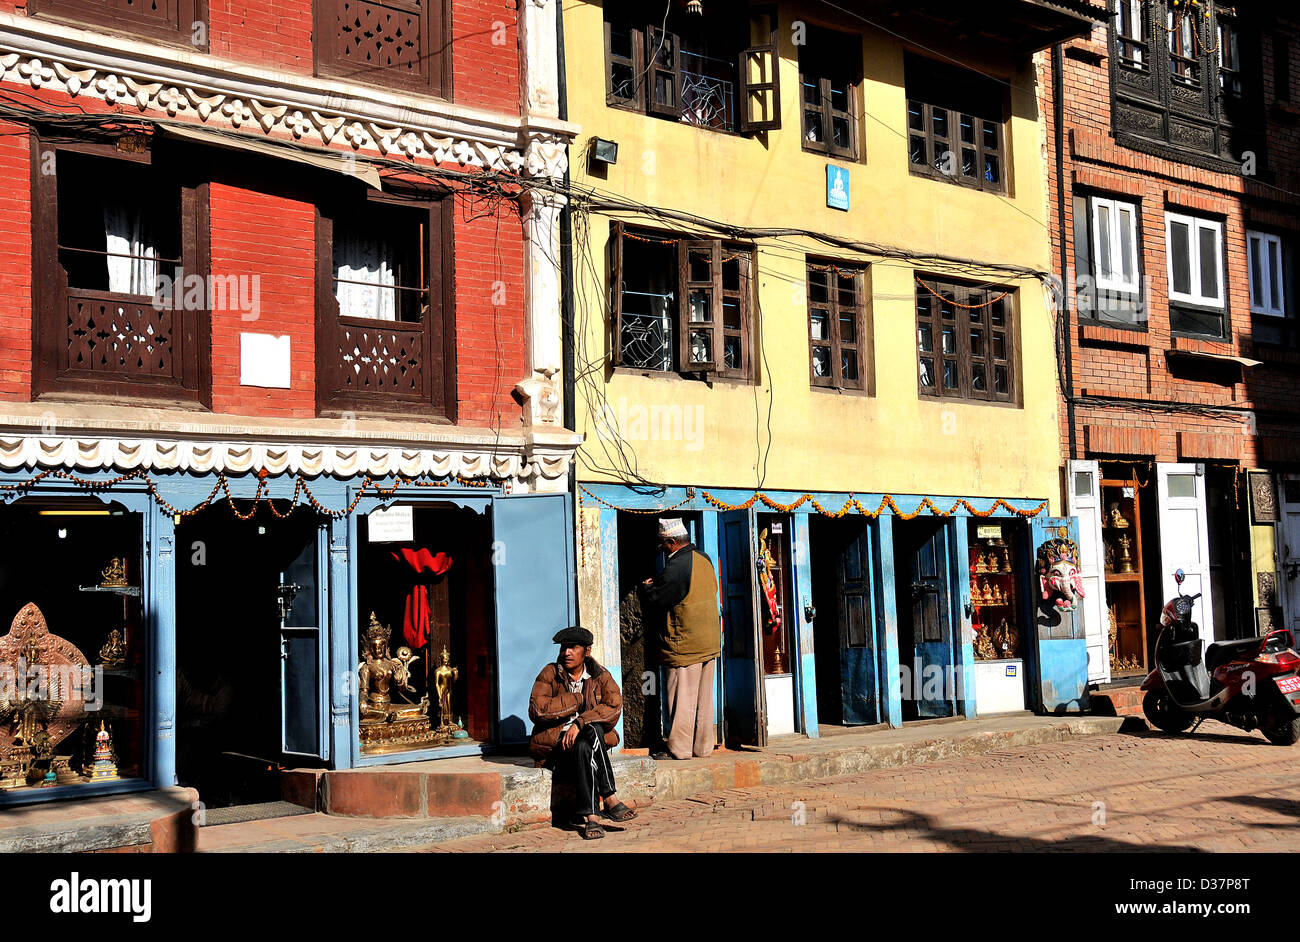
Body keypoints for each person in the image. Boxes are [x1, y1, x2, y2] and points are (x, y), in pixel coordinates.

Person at [528, 626, 638, 840]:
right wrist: (577, 700)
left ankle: (592, 818)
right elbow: (538, 709)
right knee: (591, 735)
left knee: (586, 742)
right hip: (557, 746)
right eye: (563, 648)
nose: (566, 652)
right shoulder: (550, 673)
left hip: (585, 743)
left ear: (586, 651)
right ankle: (610, 798)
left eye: (572, 647)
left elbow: (614, 707)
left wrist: (580, 721)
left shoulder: (599, 675)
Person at [639, 518, 721, 760]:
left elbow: (658, 599)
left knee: (682, 699)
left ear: (672, 542)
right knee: (704, 701)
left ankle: (680, 749)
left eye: (663, 545)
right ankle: (703, 747)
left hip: (685, 642)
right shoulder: (703, 559)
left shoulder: (677, 566)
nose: (662, 550)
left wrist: (647, 588)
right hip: (709, 640)